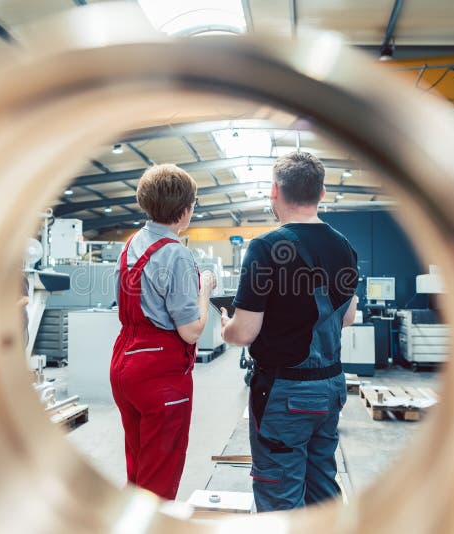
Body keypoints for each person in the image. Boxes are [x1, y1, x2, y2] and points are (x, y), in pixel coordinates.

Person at [220, 151, 359, 511]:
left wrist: (226, 329)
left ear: (275, 191)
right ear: (322, 193)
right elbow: (347, 318)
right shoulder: (345, 247)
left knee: (280, 494)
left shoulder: (265, 247)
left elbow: (245, 332)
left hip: (285, 393)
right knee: (321, 490)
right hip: (330, 387)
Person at [110, 163, 216, 500]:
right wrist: (205, 291)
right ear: (185, 212)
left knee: (138, 466)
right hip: (159, 373)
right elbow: (191, 331)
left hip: (125, 364)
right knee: (158, 478)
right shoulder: (177, 255)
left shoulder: (130, 245)